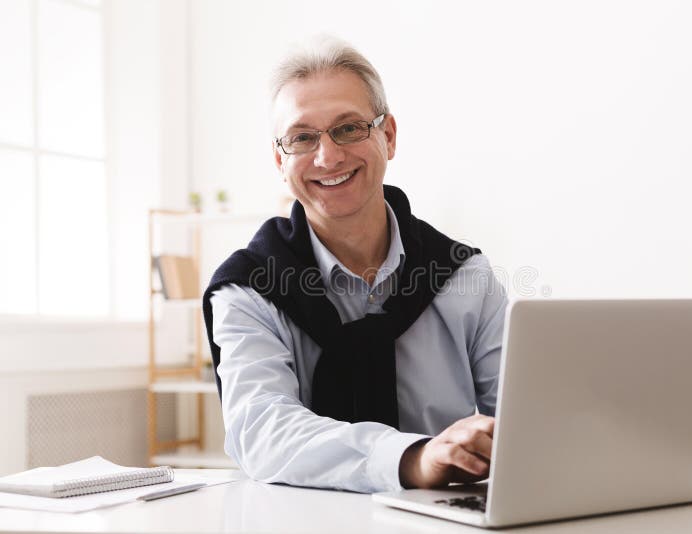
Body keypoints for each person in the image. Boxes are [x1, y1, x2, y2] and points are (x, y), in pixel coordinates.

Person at [202, 38, 507, 493]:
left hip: (443, 518)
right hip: (295, 520)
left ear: (389, 136)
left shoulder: (466, 277)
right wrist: (411, 459)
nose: (328, 157)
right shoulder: (248, 289)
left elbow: (526, 419)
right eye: (302, 137)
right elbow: (262, 431)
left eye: (348, 128)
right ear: (280, 160)